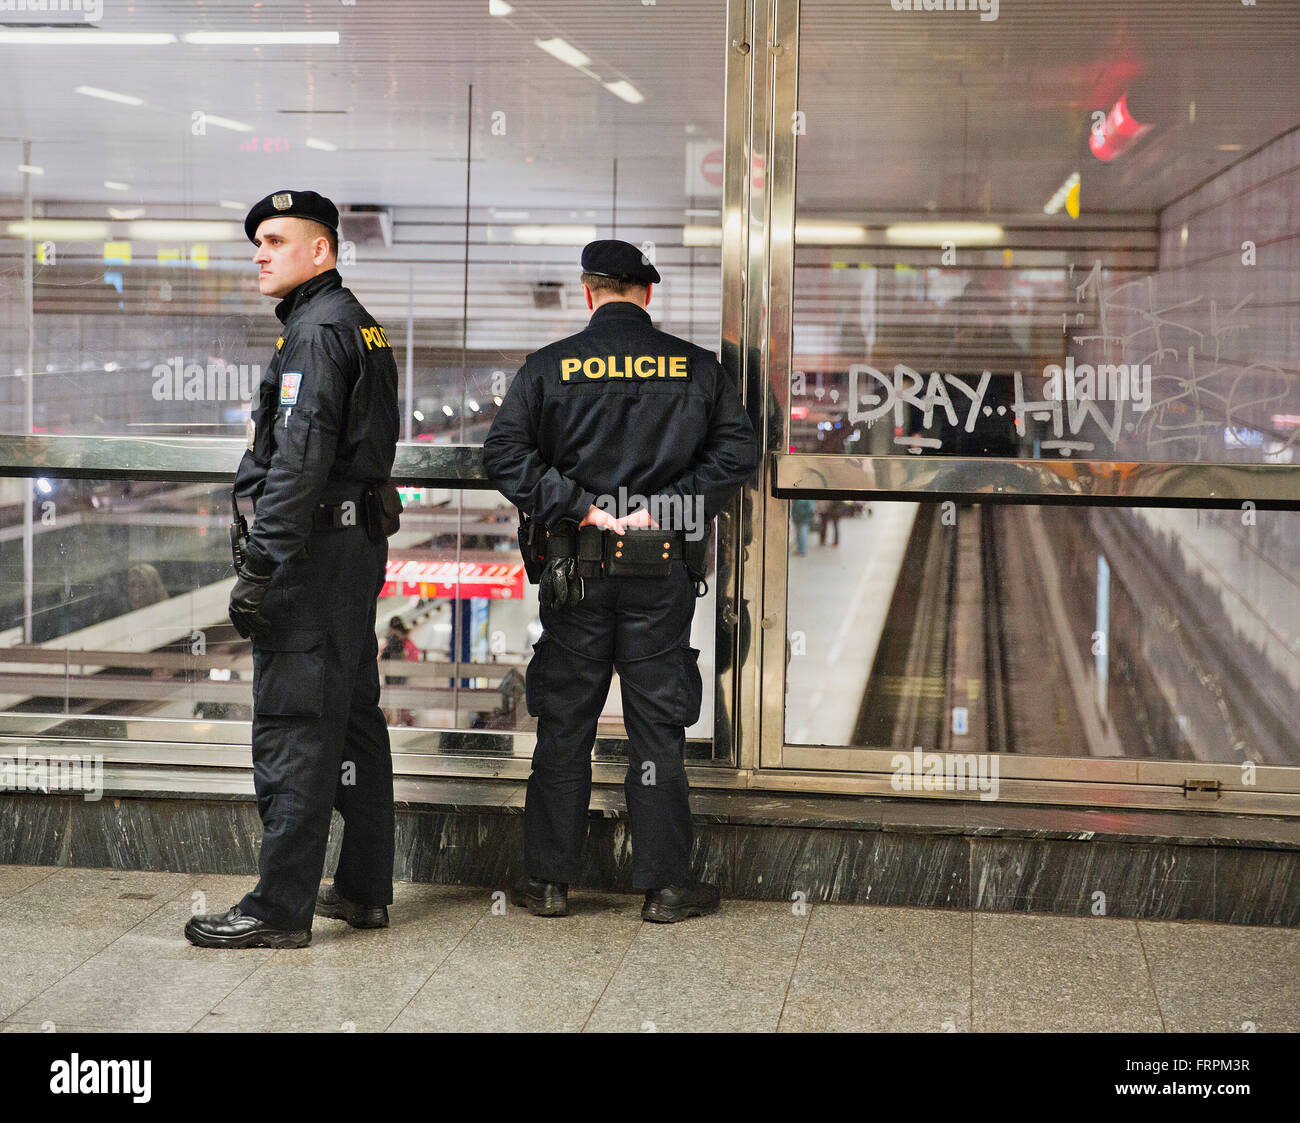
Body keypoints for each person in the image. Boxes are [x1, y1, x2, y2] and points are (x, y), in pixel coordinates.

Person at [481, 239, 756, 923]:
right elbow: (737, 453)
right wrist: (661, 509)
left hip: (575, 569)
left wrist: (581, 507)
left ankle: (548, 881)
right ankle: (664, 887)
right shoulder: (699, 370)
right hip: (659, 571)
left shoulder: (547, 369)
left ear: (587, 291)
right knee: (656, 729)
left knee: (566, 723)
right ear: (647, 295)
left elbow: (504, 454)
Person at [185, 189, 401, 949]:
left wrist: (262, 568)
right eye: (258, 242)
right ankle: (367, 888)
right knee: (352, 721)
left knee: (295, 726)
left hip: (310, 559)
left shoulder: (316, 332)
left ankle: (279, 908)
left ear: (322, 249)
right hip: (351, 551)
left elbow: (299, 462)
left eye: (276, 239)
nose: (259, 252)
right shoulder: (359, 326)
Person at [381, 615, 421, 726]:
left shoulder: (394, 642)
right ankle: (398, 722)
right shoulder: (405, 642)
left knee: (395, 702)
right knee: (398, 702)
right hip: (400, 679)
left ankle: (396, 722)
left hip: (396, 678)